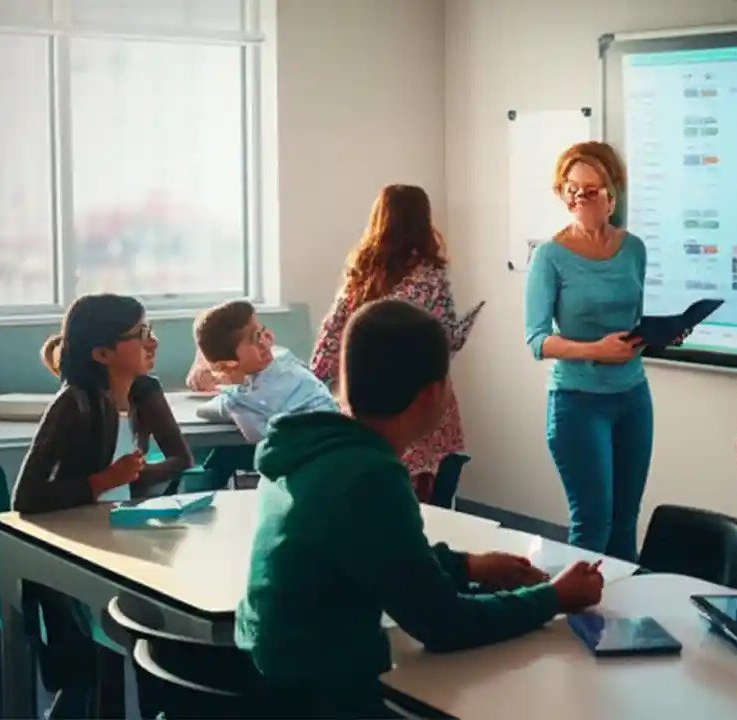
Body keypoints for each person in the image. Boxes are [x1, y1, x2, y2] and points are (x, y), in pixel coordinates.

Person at [236, 298, 604, 717]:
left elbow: (372, 555)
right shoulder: (368, 476)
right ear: (431, 394)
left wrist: (465, 566)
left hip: (275, 682)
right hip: (328, 699)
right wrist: (553, 597)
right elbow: (444, 624)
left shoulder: (312, 448)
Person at [12, 293, 194, 718]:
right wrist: (103, 481)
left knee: (134, 655)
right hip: (69, 559)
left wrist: (132, 479)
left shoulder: (142, 392)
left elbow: (177, 459)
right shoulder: (73, 404)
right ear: (102, 353)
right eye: (141, 334)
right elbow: (27, 496)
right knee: (87, 674)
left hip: (114, 543)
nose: (153, 342)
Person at [524, 141, 656, 560]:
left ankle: (625, 618)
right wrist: (593, 349)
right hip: (577, 403)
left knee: (625, 521)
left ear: (612, 195)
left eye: (589, 189)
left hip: (633, 397)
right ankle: (575, 618)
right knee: (593, 522)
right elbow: (537, 340)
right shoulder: (550, 256)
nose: (578, 197)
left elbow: (632, 321)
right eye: (571, 189)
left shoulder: (633, 249)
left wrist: (660, 335)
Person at [311, 184, 483, 503]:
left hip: (368, 404)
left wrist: (321, 389)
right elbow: (442, 338)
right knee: (435, 509)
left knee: (379, 501)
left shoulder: (360, 275)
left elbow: (329, 339)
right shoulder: (430, 276)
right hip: (421, 404)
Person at [191, 300, 338, 488]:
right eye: (254, 338)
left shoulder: (279, 370)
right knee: (222, 457)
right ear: (229, 364)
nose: (267, 339)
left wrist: (221, 378)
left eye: (262, 331)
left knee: (221, 458)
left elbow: (210, 410)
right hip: (308, 454)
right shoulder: (245, 390)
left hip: (313, 457)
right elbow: (215, 408)